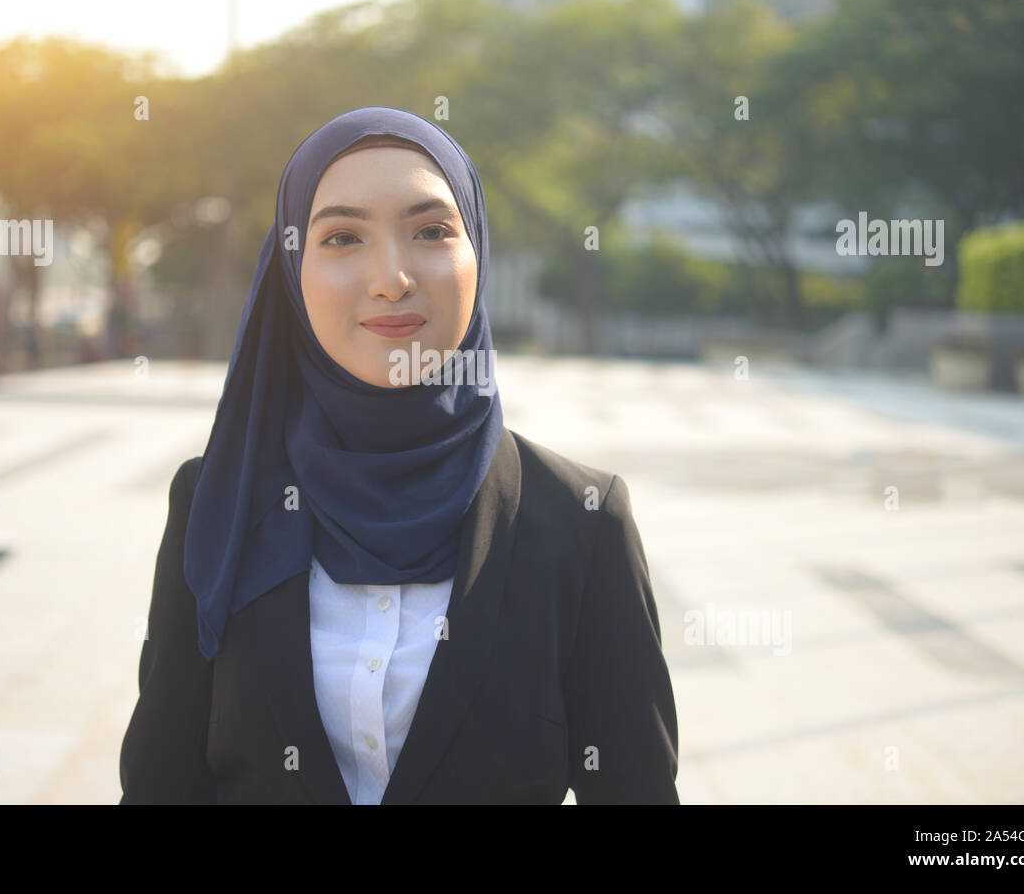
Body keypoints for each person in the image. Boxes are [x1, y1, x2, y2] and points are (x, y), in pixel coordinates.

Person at [118, 107, 679, 804]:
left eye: (432, 231)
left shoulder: (581, 520)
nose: (391, 277)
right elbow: (161, 784)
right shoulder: (220, 500)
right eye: (344, 236)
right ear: (292, 270)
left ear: (478, 254)